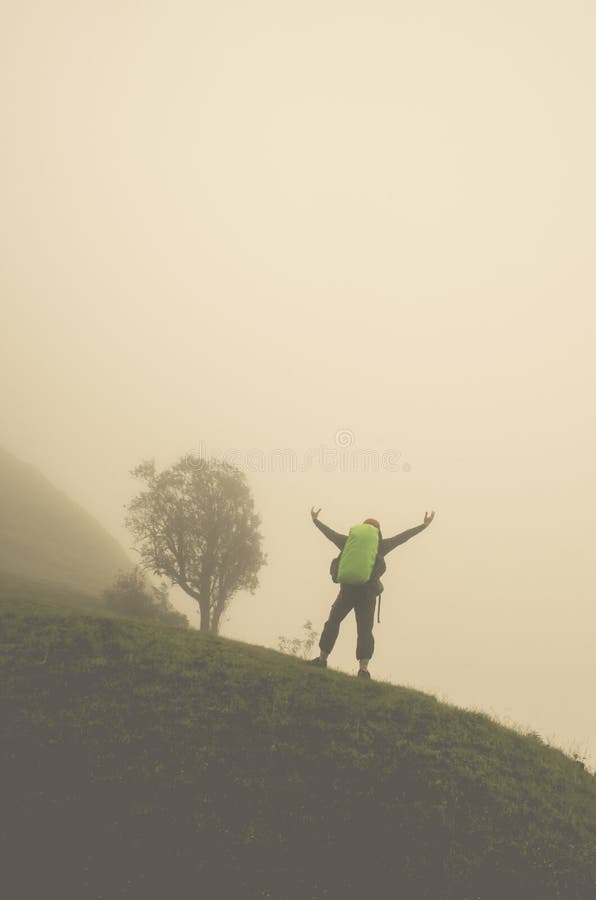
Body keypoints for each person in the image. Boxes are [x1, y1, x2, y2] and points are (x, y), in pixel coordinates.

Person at [308, 507, 435, 679]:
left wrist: (316, 521)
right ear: (378, 532)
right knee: (365, 631)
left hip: (347, 590)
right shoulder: (380, 545)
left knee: (333, 621)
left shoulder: (348, 542)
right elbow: (402, 538)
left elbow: (330, 534)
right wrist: (423, 526)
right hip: (367, 594)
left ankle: (322, 659)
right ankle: (363, 669)